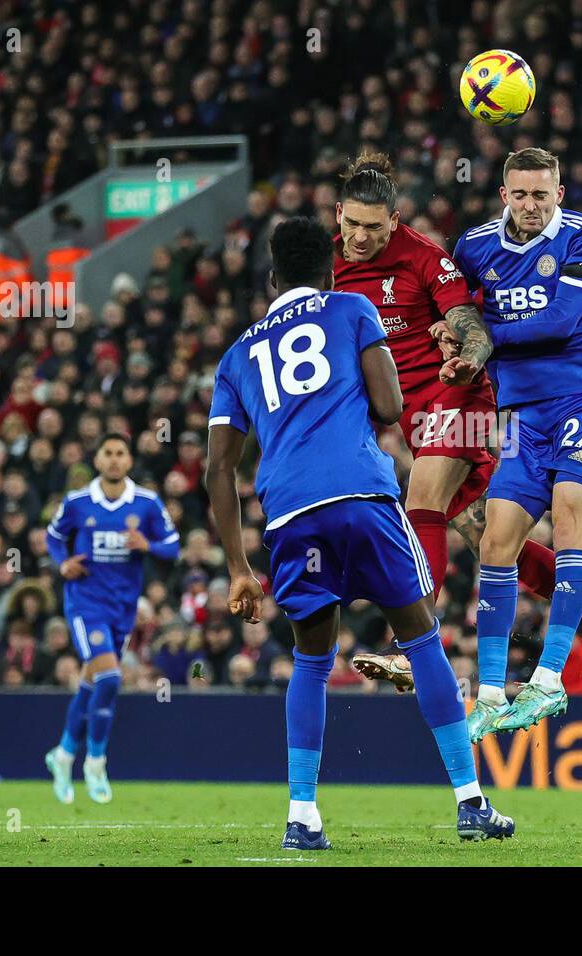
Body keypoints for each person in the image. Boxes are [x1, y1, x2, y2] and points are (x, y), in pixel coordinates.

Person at [203, 217, 513, 850]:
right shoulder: (351, 307)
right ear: (328, 270)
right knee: (423, 640)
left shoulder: (237, 356)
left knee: (312, 662)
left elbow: (218, 468)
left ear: (271, 279)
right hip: (362, 494)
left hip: (289, 511)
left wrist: (238, 567)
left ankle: (302, 818)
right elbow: (393, 407)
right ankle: (469, 802)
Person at [331, 152, 582, 700]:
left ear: (394, 221)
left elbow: (473, 322)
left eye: (372, 227)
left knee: (423, 500)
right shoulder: (335, 268)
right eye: (351, 225)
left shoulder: (428, 259)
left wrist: (467, 343)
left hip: (463, 396)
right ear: (337, 215)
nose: (360, 237)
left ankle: (419, 651)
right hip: (424, 414)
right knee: (491, 540)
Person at [446, 147, 582, 742]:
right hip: (522, 415)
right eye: (521, 194)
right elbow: (450, 308)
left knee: (568, 519)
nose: (532, 205)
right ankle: (493, 693)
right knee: (497, 539)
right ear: (504, 195)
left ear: (559, 193)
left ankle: (550, 679)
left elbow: (557, 322)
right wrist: (454, 331)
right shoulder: (474, 247)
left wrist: (480, 340)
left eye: (543, 194)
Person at [43, 434, 181, 804]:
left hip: (123, 609)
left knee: (92, 682)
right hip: (86, 602)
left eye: (121, 453)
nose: (115, 459)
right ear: (99, 460)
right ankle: (96, 762)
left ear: (129, 460)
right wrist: (63, 564)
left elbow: (174, 547)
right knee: (110, 676)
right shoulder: (77, 502)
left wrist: (148, 546)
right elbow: (54, 537)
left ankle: (62, 755)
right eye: (109, 453)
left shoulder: (147, 503)